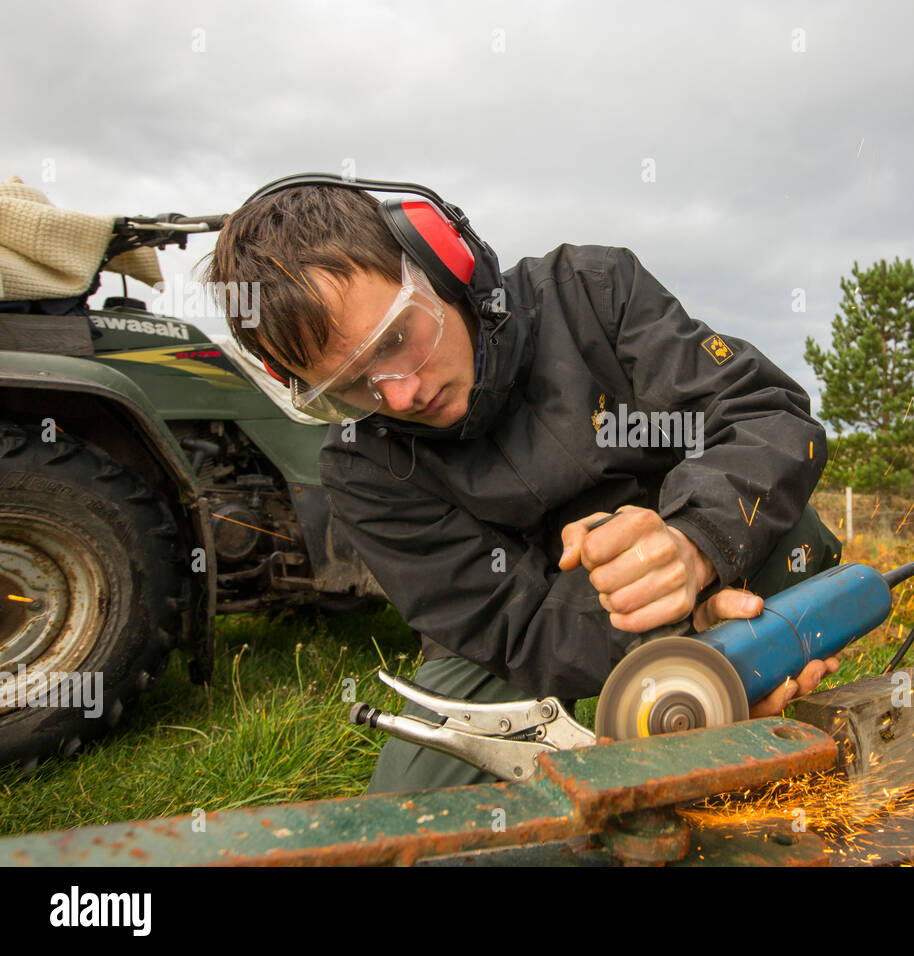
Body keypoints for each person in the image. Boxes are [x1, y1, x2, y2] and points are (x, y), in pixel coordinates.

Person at [206, 178, 844, 792]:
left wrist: (695, 546)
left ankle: (765, 703)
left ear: (442, 262)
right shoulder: (360, 466)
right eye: (350, 385)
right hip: (527, 649)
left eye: (397, 339)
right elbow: (513, 631)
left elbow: (768, 417)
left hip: (712, 555)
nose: (401, 393)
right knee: (420, 825)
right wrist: (681, 629)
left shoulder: (593, 292)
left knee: (786, 532)